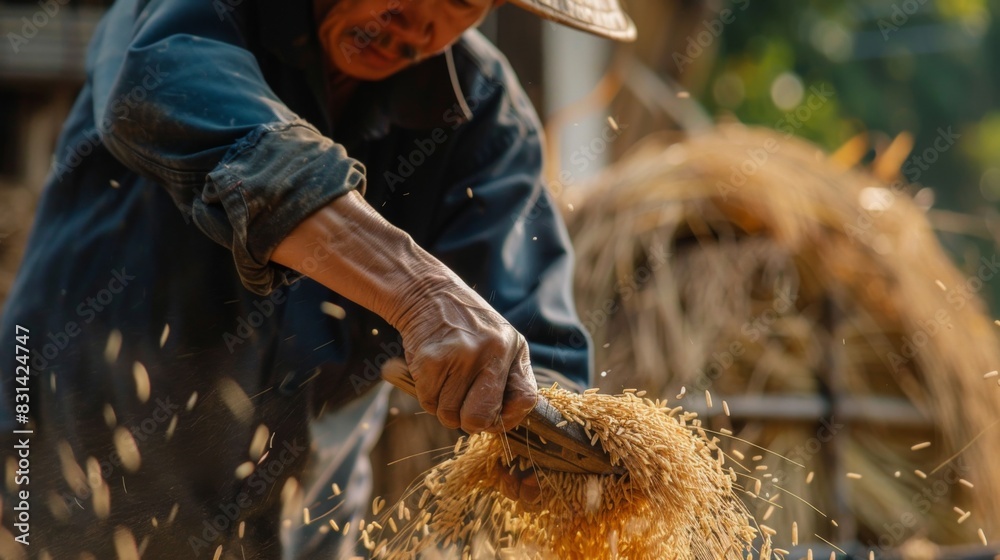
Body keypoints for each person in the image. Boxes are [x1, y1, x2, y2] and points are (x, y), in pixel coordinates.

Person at [0, 0, 635, 558]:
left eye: (462, 0)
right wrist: (418, 291)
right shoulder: (195, 13)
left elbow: (524, 340)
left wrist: (547, 429)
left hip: (303, 511)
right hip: (68, 462)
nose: (411, 15)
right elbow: (177, 97)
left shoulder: (484, 120)